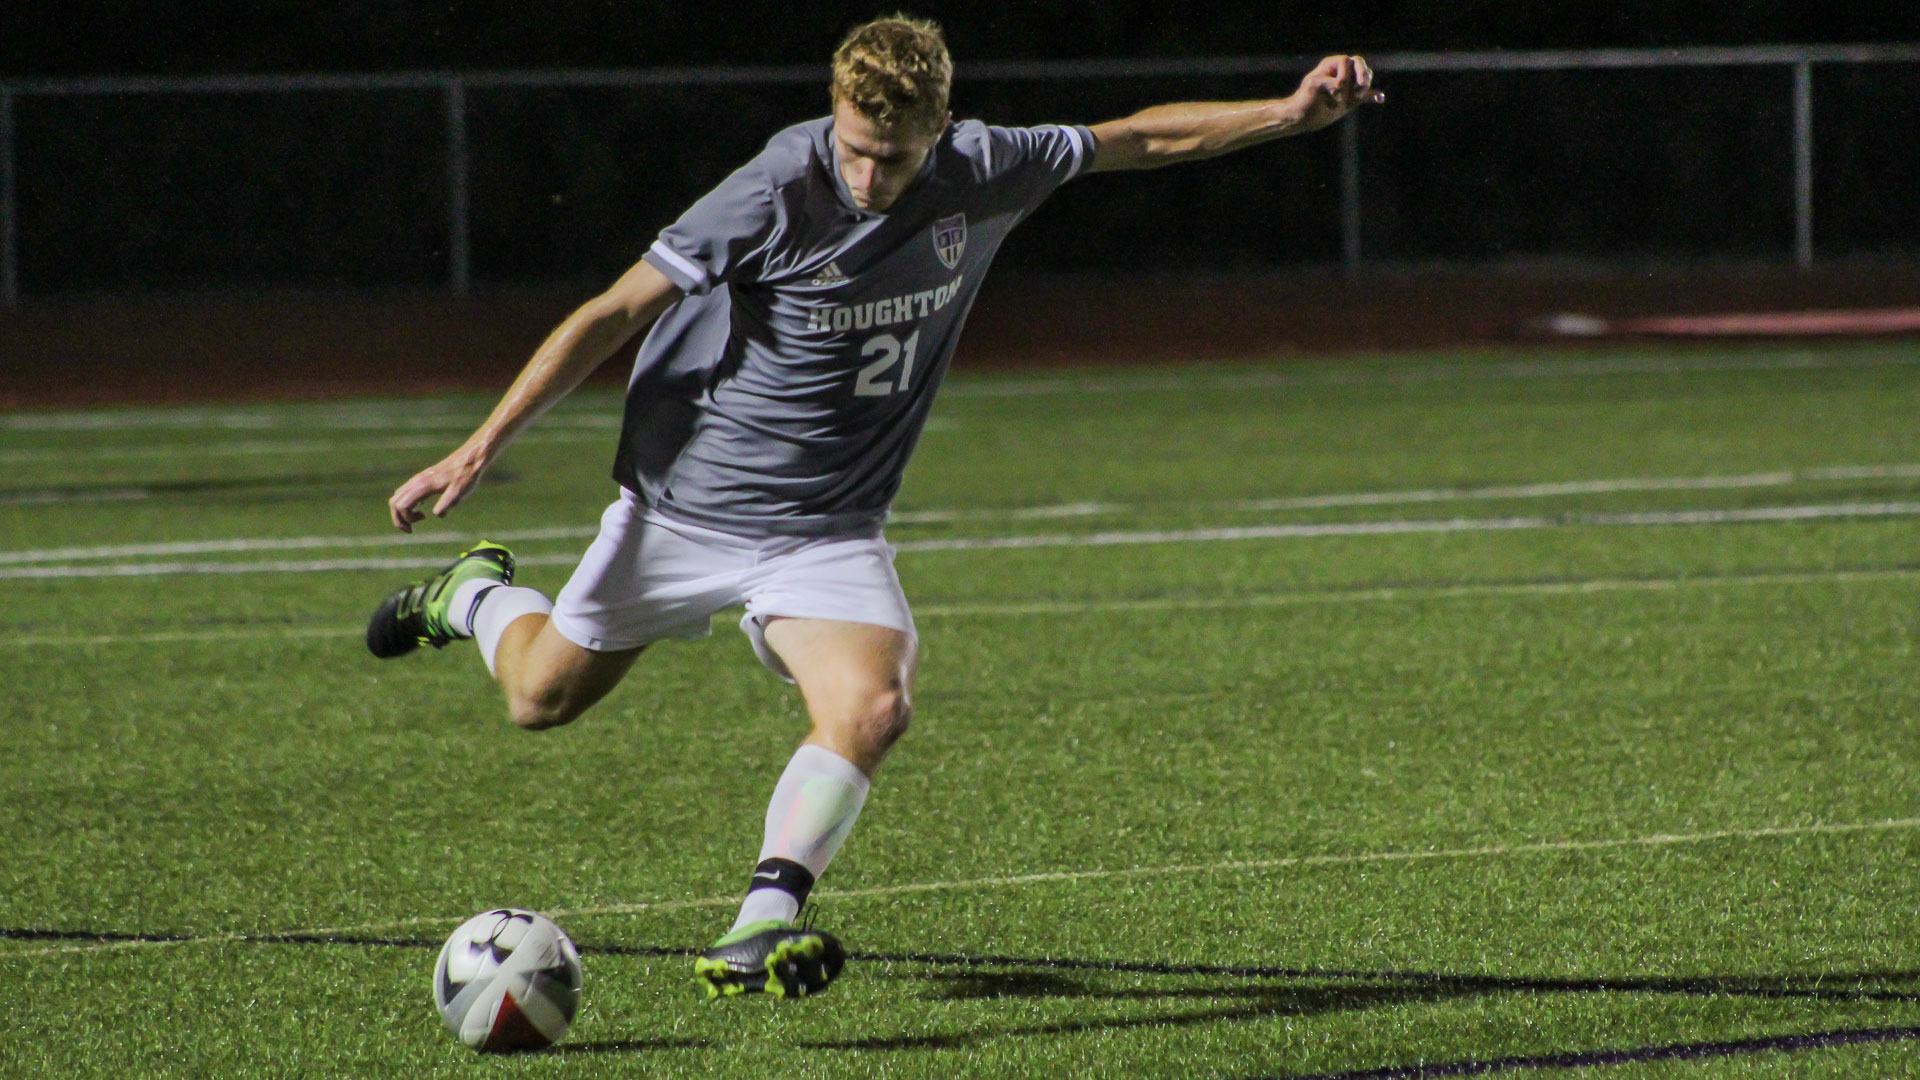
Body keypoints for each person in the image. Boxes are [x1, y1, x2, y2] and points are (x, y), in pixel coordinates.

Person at [368, 14, 1380, 1000]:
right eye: (855, 151)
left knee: (875, 705)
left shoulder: (985, 168)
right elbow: (615, 312)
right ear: (833, 115)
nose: (867, 178)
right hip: (682, 512)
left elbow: (1140, 138)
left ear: (939, 132)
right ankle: (471, 598)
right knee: (540, 700)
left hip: (827, 530)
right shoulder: (776, 187)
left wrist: (1289, 116)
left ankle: (761, 923)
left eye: (892, 160)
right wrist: (481, 444)